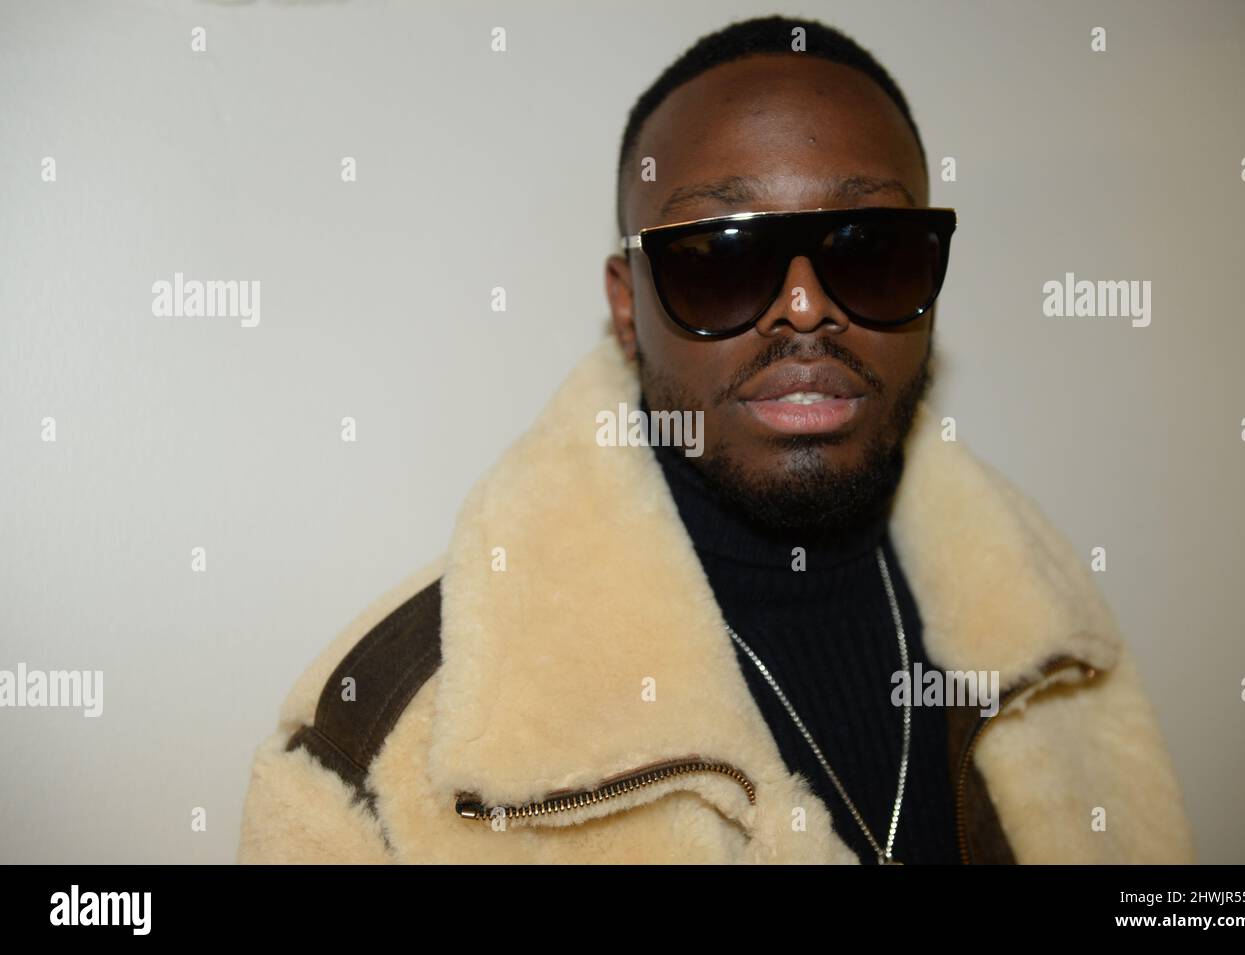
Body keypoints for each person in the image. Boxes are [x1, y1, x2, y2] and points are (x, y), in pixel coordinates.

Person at [236, 14, 1195, 864]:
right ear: (626, 307)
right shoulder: (381, 745)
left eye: (870, 246)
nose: (807, 309)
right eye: (720, 259)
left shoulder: (1052, 645)